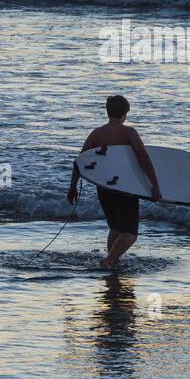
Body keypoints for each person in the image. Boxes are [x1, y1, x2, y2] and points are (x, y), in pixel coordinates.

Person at [68, 95, 162, 269]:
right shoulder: (129, 133)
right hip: (124, 187)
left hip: (103, 187)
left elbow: (80, 161)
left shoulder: (96, 133)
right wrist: (155, 185)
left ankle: (113, 261)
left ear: (108, 112)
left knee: (116, 227)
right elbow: (143, 158)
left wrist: (72, 187)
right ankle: (110, 260)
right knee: (130, 232)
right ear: (125, 113)